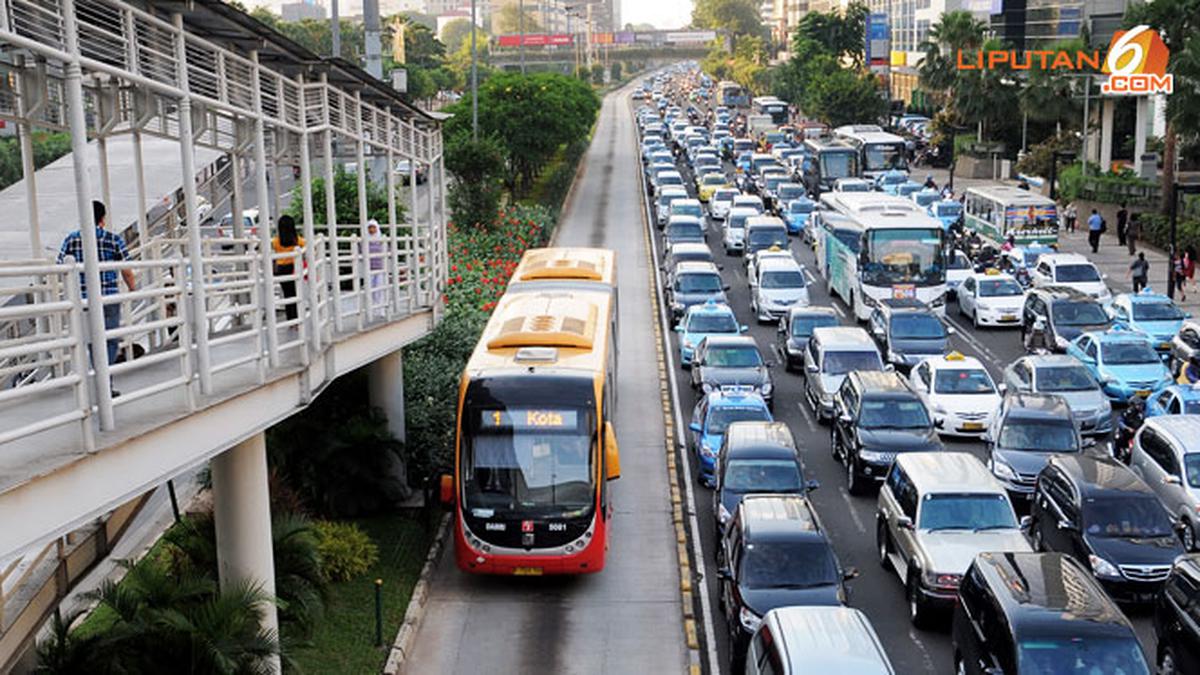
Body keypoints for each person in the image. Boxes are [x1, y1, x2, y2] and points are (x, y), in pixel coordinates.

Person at [57, 200, 136, 381]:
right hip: (108, 298)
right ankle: (105, 380)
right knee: (111, 339)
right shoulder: (113, 239)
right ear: (102, 218)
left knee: (93, 341)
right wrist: (133, 289)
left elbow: (61, 267)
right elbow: (127, 270)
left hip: (83, 300)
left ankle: (100, 378)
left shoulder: (71, 239)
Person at [271, 214, 305, 322]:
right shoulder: (298, 241)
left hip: (280, 270)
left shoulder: (276, 242)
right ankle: (296, 318)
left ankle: (290, 319)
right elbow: (309, 248)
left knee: (287, 295)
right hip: (293, 268)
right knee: (294, 294)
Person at [363, 219, 386, 318]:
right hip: (369, 268)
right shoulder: (365, 240)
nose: (371, 230)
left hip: (380, 267)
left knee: (379, 288)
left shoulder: (381, 240)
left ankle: (381, 309)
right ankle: (371, 308)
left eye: (373, 228)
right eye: (369, 228)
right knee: (370, 288)